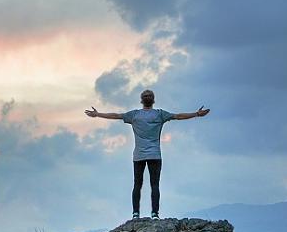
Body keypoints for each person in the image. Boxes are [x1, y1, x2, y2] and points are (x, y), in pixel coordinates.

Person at [85, 89, 210, 219]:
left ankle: (136, 214)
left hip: (140, 155)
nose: (147, 97)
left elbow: (117, 115)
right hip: (154, 155)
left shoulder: (137, 115)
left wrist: (98, 114)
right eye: (147, 95)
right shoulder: (158, 114)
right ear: (150, 100)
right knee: (154, 184)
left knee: (138, 184)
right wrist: (196, 114)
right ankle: (153, 214)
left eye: (148, 95)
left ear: (143, 100)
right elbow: (178, 116)